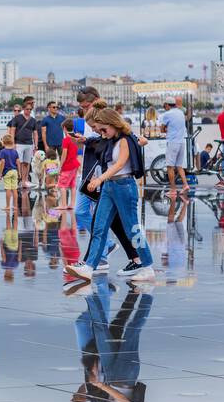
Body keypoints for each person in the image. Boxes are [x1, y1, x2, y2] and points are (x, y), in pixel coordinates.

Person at [67, 104, 155, 283]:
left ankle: (147, 267)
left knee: (132, 230)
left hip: (124, 186)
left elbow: (120, 164)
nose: (102, 133)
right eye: (99, 130)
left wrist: (99, 180)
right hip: (109, 187)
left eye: (103, 129)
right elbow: (97, 145)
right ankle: (89, 267)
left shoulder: (126, 139)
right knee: (99, 227)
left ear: (113, 123)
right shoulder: (109, 139)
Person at [8, 95, 39, 189]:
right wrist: (12, 143)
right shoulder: (17, 118)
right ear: (24, 109)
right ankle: (20, 180)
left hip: (29, 144)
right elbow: (12, 131)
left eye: (30, 109)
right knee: (19, 163)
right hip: (19, 143)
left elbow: (35, 133)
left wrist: (36, 145)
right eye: (27, 109)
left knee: (26, 163)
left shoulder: (33, 120)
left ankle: (25, 181)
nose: (29, 111)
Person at [161, 96, 187, 196]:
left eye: (165, 105)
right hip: (181, 142)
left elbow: (162, 129)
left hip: (172, 142)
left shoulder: (167, 114)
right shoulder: (180, 112)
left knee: (170, 167)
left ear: (167, 105)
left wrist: (167, 129)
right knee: (179, 166)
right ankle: (185, 185)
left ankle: (173, 189)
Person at [0, 133, 20, 211]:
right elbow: (18, 162)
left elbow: (2, 162)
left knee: (8, 189)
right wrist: (19, 172)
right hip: (14, 171)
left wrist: (0, 173)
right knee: (14, 189)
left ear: (3, 142)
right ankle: (15, 206)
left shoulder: (3, 151)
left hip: (7, 172)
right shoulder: (15, 151)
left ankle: (7, 206)